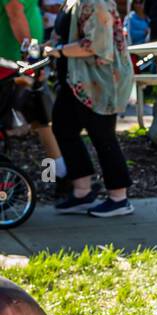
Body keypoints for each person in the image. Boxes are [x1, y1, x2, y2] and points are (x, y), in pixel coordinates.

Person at [46, 0, 134, 217]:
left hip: (99, 82)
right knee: (63, 128)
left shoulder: (96, 2)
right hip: (74, 79)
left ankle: (119, 197)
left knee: (102, 136)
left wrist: (58, 51)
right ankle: (83, 191)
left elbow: (95, 44)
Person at [1, 0, 66, 184]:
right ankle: (59, 174)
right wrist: (31, 57)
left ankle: (57, 174)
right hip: (13, 66)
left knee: (40, 119)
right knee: (39, 117)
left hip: (18, 65)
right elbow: (15, 14)